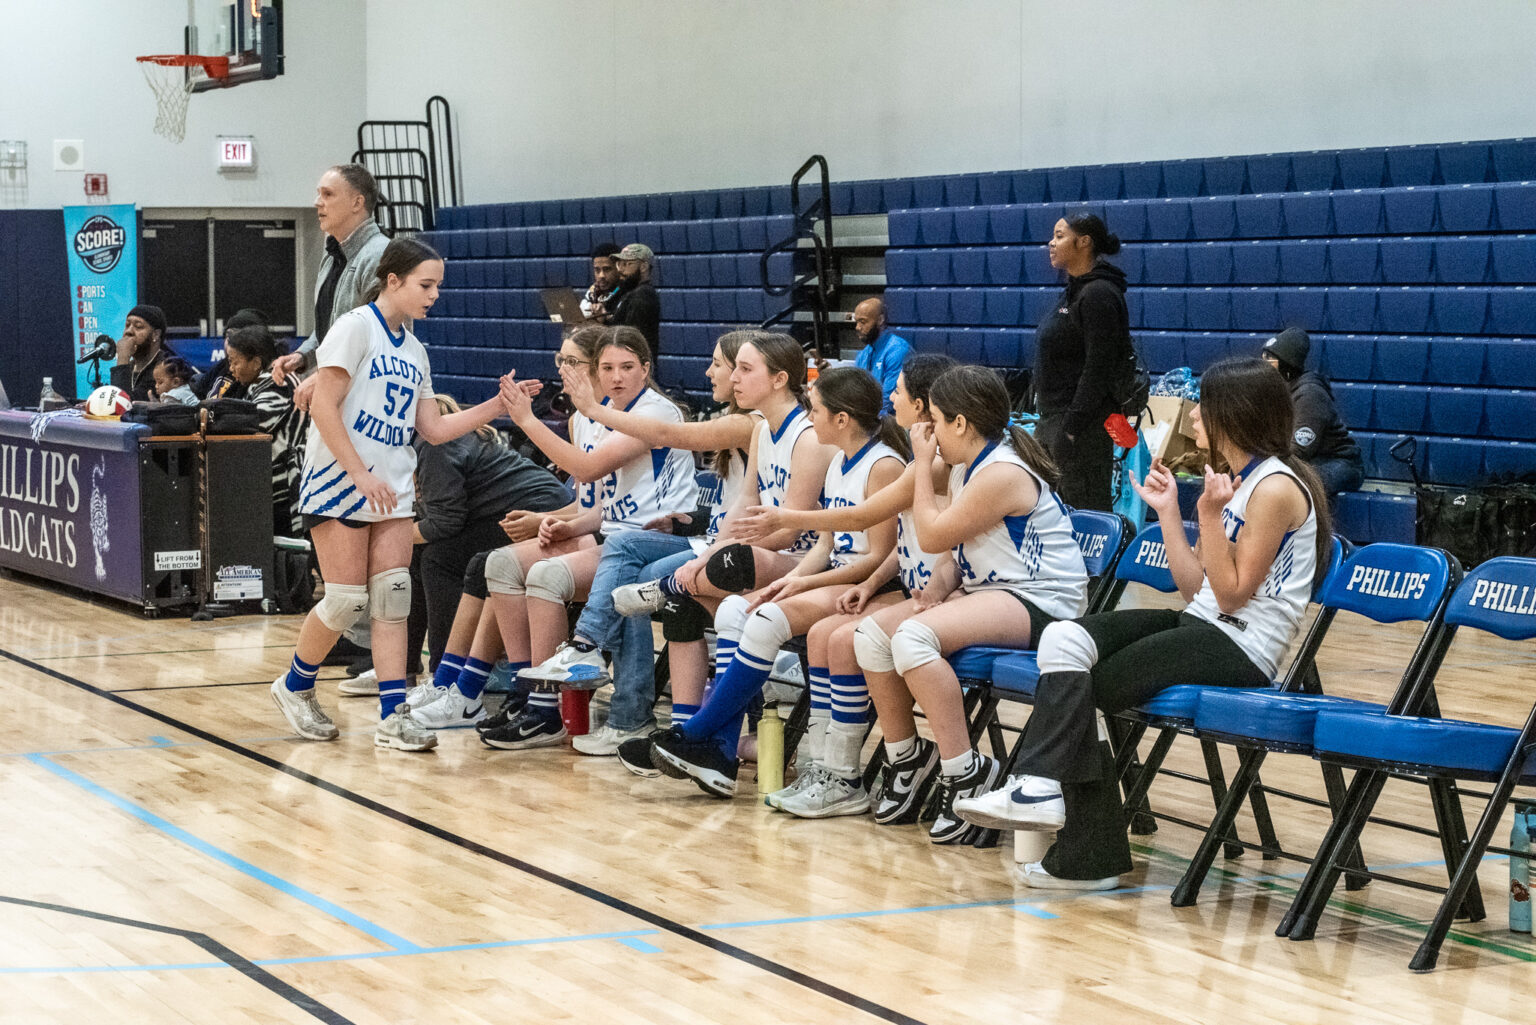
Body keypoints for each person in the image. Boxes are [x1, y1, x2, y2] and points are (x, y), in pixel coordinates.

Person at [955, 357, 1331, 890]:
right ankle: (1043, 791)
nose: (1195, 415)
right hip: (1203, 623)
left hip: (1245, 647)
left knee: (1087, 687)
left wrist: (1206, 515)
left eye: (1205, 404)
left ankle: (1083, 845)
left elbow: (1231, 594)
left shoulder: (1274, 489)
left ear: (1236, 414)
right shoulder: (1237, 480)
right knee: (1065, 639)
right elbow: (1195, 587)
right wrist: (1170, 513)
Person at [269, 236, 517, 753]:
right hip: (339, 481)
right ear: (393, 280)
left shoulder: (417, 350)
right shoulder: (354, 328)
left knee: (392, 602)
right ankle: (293, 685)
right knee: (343, 600)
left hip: (394, 488)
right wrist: (359, 472)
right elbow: (324, 408)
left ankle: (393, 714)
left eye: (438, 287)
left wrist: (495, 406)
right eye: (426, 285)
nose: (433, 296)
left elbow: (432, 428)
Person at [854, 365, 1090, 845]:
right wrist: (938, 588)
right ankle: (906, 759)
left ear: (960, 424)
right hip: (995, 592)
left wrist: (921, 465)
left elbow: (932, 532)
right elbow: (955, 555)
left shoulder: (1001, 471)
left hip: (1044, 600)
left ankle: (965, 770)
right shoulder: (968, 467)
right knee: (872, 635)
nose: (930, 431)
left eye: (936, 420)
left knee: (914, 637)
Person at [647, 367, 908, 798]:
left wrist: (804, 585)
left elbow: (878, 558)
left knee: (765, 618)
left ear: (842, 419)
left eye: (817, 409)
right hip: (831, 573)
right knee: (737, 607)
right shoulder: (839, 459)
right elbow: (825, 545)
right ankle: (720, 751)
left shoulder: (882, 465)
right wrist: (792, 579)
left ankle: (700, 731)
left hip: (872, 585)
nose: (811, 417)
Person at [518, 330, 763, 757]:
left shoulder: (745, 423)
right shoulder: (746, 426)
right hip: (693, 535)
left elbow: (675, 437)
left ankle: (595, 661)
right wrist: (694, 519)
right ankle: (633, 709)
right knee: (631, 570)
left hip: (734, 550)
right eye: (606, 368)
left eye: (725, 366)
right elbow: (741, 502)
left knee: (633, 564)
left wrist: (579, 411)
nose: (711, 372)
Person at [733, 353, 958, 817]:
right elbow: (902, 544)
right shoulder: (902, 460)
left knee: (845, 638)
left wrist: (789, 518)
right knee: (821, 635)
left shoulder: (921, 466)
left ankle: (856, 771)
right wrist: (865, 578)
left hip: (941, 593)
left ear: (923, 406)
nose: (890, 397)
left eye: (898, 391)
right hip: (911, 583)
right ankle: (827, 767)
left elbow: (868, 522)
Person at [476, 326, 697, 749]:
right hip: (616, 537)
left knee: (551, 576)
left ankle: (550, 707)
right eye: (608, 367)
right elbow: (598, 502)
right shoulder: (589, 417)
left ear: (646, 369)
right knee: (500, 563)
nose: (617, 376)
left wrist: (525, 420)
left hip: (654, 541)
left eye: (627, 367)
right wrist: (568, 524)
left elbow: (586, 469)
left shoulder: (655, 412)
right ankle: (529, 695)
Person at [409, 393, 571, 673]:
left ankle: (446, 674)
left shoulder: (433, 445)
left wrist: (389, 539)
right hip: (512, 510)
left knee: (438, 559)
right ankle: (405, 667)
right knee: (418, 552)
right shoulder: (432, 436)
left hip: (541, 515)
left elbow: (445, 522)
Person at [1033, 212, 1132, 512]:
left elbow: (1097, 370)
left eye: (1060, 236)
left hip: (1080, 429)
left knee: (1084, 514)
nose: (1051, 243)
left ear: (1084, 242)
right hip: (1054, 421)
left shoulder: (1099, 293)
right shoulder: (1073, 292)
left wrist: (1070, 430)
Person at [271, 164, 389, 390]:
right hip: (336, 390)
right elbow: (331, 331)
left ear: (357, 202)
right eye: (319, 193)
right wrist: (303, 356)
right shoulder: (333, 254)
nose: (317, 201)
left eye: (328, 194)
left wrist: (322, 378)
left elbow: (380, 341)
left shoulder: (380, 255)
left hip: (368, 397)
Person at [1261, 328, 1365, 497]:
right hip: (1312, 460)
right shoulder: (1279, 390)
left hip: (1341, 463)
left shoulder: (1310, 394)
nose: (1264, 364)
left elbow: (1299, 450)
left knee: (1292, 484)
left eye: (1269, 359)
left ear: (1286, 363)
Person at [224, 324, 307, 536]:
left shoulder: (277, 381)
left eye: (235, 362)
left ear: (256, 362)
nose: (231, 369)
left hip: (284, 488)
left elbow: (255, 423)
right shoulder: (259, 383)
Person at [850, 297, 910, 415]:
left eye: (863, 322)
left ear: (880, 320)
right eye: (856, 322)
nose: (857, 327)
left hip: (893, 422)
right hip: (870, 418)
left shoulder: (897, 350)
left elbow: (889, 402)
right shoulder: (863, 354)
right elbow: (854, 392)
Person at [194, 308, 270, 400]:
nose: (228, 342)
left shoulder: (267, 378)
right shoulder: (222, 366)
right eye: (227, 336)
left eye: (235, 337)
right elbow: (197, 390)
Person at [606, 243, 662, 358]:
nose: (621, 270)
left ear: (643, 267)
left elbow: (630, 338)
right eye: (619, 264)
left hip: (632, 367)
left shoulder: (642, 296)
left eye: (627, 264)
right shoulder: (630, 292)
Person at [111, 305, 177, 402]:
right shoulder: (130, 366)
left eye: (138, 327)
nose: (129, 331)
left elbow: (123, 405)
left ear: (156, 334)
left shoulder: (167, 368)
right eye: (127, 325)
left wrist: (123, 357)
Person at [581, 242, 622, 320]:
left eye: (607, 269)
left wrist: (606, 318)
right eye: (597, 270)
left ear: (618, 268)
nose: (601, 275)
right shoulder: (592, 292)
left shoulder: (627, 294)